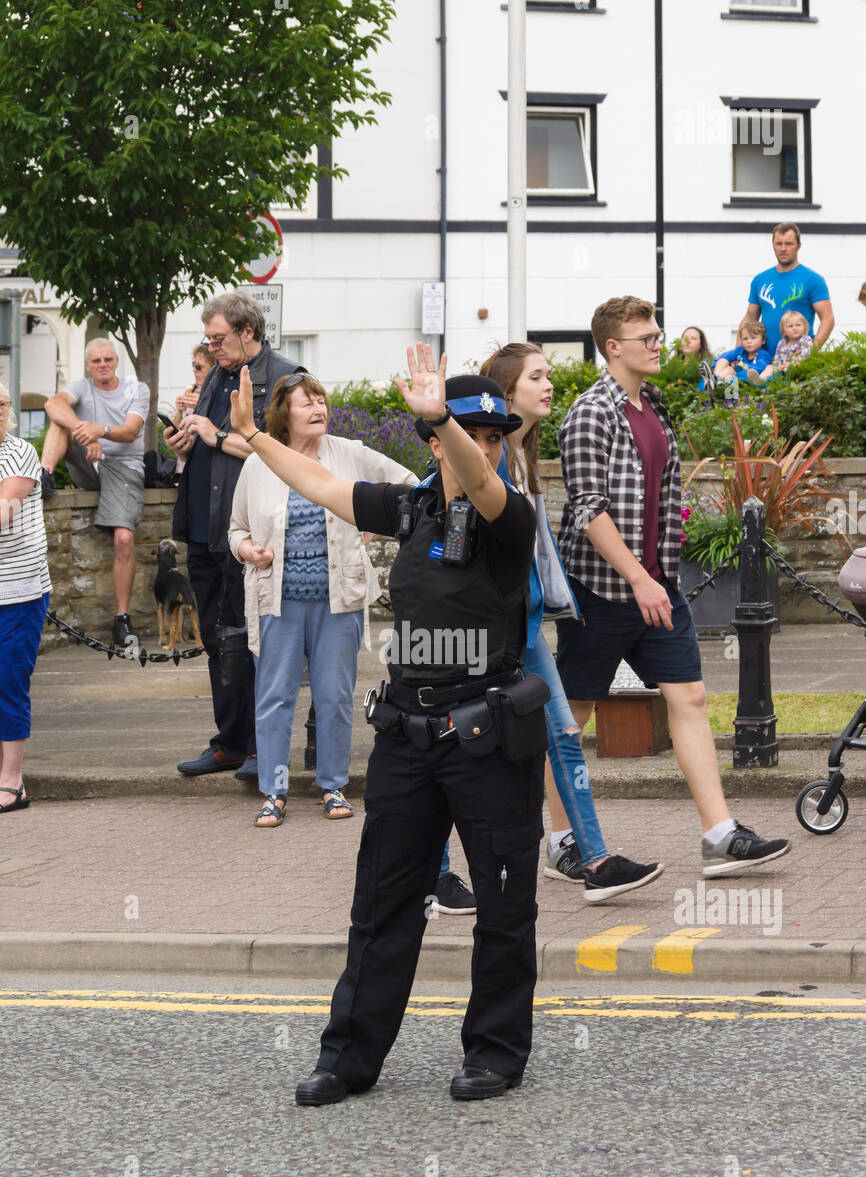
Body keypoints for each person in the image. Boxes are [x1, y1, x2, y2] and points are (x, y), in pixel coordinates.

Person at [231, 349, 546, 1106]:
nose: (489, 446)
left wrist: (442, 415)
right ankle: (350, 1059)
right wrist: (252, 435)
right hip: (410, 733)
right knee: (381, 905)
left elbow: (477, 480)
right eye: (474, 434)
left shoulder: (510, 518)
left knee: (503, 906)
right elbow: (322, 483)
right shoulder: (411, 507)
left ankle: (495, 1053)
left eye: (498, 436)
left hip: (486, 736)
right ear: (432, 447)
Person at [555, 295, 791, 878]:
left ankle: (719, 835)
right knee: (572, 717)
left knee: (688, 699)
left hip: (658, 587)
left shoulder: (653, 406)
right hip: (601, 592)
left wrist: (658, 576)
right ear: (613, 347)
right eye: (647, 336)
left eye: (658, 333)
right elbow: (588, 508)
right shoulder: (590, 413)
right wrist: (638, 579)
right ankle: (562, 841)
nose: (658, 342)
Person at [479, 341, 663, 902]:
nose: (549, 383)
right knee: (461, 744)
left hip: (527, 623)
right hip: (486, 629)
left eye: (548, 374)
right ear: (507, 392)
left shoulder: (522, 454)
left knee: (562, 732)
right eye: (537, 376)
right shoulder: (487, 456)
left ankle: (595, 860)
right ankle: (435, 873)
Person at [228, 371, 416, 826]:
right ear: (284, 414)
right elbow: (236, 530)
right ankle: (273, 792)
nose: (318, 409)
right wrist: (248, 550)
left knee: (334, 698)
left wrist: (378, 521)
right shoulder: (260, 462)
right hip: (279, 601)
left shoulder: (348, 454)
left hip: (340, 601)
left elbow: (410, 484)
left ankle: (333, 786)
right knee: (274, 698)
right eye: (305, 403)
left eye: (321, 401)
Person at [165, 292, 301, 782]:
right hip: (204, 530)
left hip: (250, 534)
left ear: (248, 332)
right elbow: (202, 441)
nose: (213, 348)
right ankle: (230, 743)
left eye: (219, 339)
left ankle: (264, 748)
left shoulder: (286, 376)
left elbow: (287, 452)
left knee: (256, 643)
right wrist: (180, 443)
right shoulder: (218, 375)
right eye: (208, 339)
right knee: (217, 642)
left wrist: (215, 437)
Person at [42, 339, 149, 648]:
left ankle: (122, 618)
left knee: (124, 538)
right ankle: (45, 474)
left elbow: (130, 431)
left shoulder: (135, 389)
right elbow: (52, 404)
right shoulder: (81, 387)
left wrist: (98, 431)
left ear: (116, 361)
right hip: (89, 461)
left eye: (107, 359)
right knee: (61, 416)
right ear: (88, 366)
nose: (102, 365)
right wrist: (86, 435)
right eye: (96, 361)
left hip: (123, 467)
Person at [0, 383, 51, 812]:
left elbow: (5, 510)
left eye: (0, 405)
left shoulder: (19, 453)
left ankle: (12, 783)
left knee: (9, 681)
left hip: (18, 591)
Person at [744, 223, 834, 357]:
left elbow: (828, 319)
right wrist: (738, 353)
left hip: (795, 360)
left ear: (799, 246)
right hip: (763, 357)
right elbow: (750, 318)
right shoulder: (760, 280)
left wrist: (810, 353)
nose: (783, 248)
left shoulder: (813, 279)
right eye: (778, 243)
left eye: (789, 243)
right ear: (773, 245)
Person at [170, 345, 216, 473]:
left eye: (199, 367)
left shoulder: (215, 393)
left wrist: (202, 407)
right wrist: (179, 410)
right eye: (193, 365)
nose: (194, 370)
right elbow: (174, 429)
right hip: (185, 462)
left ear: (213, 368)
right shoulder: (191, 390)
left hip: (206, 462)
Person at [710, 319, 773, 390]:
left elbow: (761, 367)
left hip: (751, 381)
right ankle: (715, 378)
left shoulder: (763, 354)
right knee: (723, 361)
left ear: (763, 340)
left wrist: (740, 369)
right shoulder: (740, 351)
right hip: (733, 378)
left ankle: (716, 381)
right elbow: (725, 356)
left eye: (753, 338)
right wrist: (716, 365)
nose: (749, 341)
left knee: (747, 372)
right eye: (745, 339)